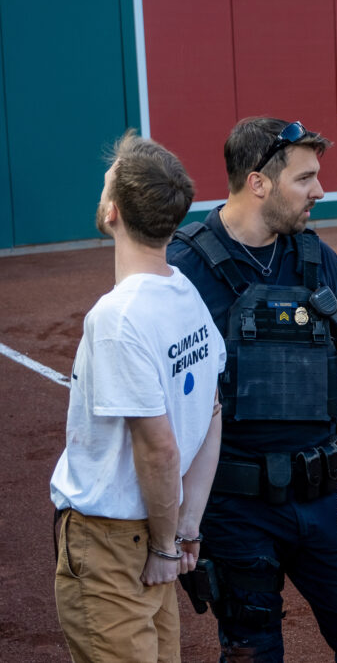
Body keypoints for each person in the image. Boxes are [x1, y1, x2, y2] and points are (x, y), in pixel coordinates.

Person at [167, 117, 337, 661]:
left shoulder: (317, 260)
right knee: (252, 649)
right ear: (258, 182)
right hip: (233, 505)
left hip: (324, 492)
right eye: (305, 178)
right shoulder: (185, 266)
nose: (320, 191)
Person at [51, 131, 225, 662]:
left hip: (113, 547)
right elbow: (213, 412)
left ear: (112, 213)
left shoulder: (115, 318)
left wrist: (165, 546)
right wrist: (185, 526)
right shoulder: (184, 292)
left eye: (107, 185)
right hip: (157, 531)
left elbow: (161, 450)